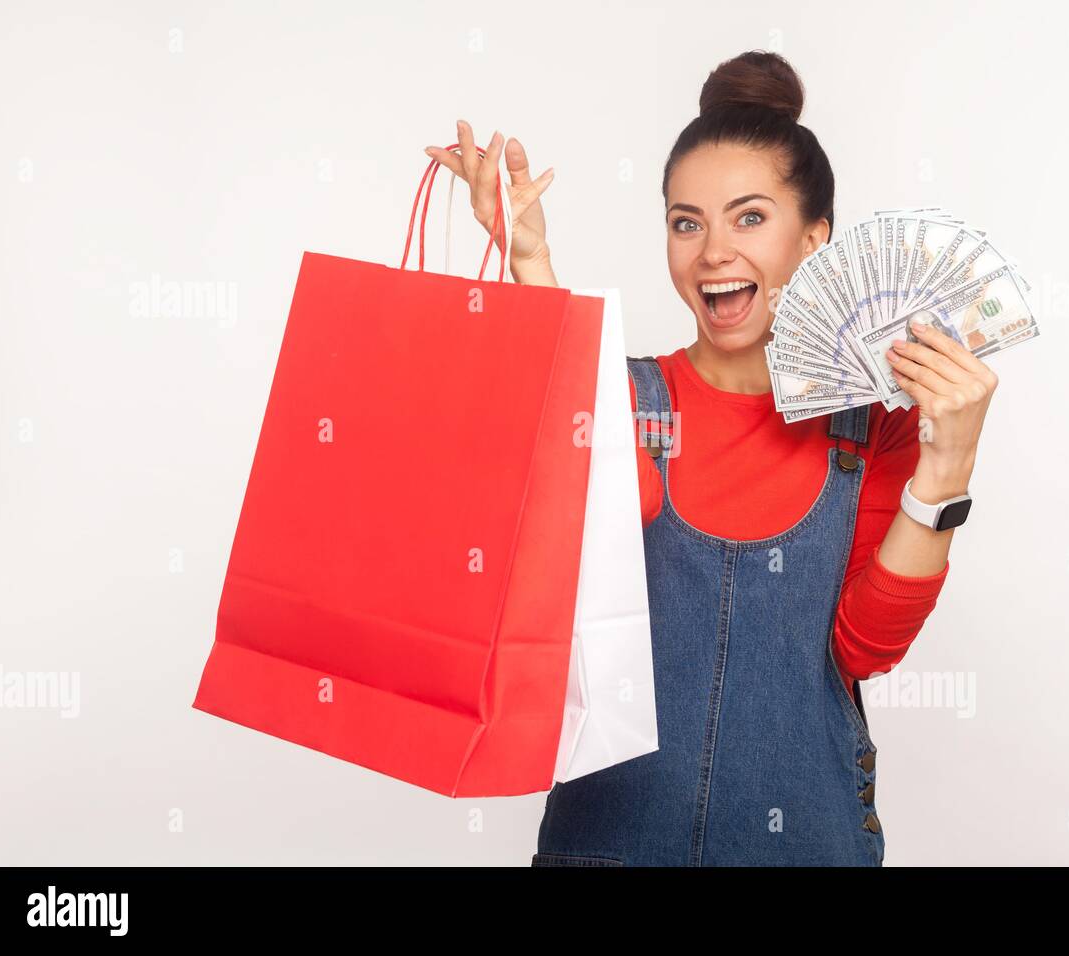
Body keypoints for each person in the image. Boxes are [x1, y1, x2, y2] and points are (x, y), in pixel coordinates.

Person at [426, 50, 997, 866]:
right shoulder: (627, 400)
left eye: (750, 218)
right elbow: (557, 444)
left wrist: (950, 465)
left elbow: (865, 650)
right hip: (609, 843)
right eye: (686, 221)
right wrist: (526, 259)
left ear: (815, 240)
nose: (712, 251)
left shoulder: (872, 428)